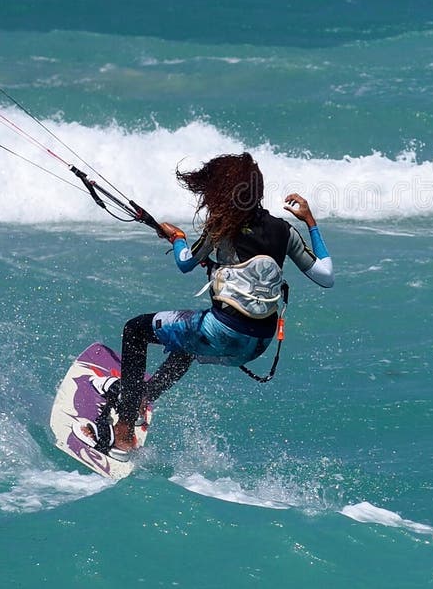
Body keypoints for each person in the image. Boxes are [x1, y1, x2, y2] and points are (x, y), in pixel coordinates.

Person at [111, 152, 334, 453]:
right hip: (257, 345)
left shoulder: (220, 228)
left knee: (135, 330)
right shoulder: (285, 231)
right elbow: (326, 276)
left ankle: (124, 430)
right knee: (186, 343)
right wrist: (310, 222)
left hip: (222, 332)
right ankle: (144, 396)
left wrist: (177, 238)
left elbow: (185, 262)